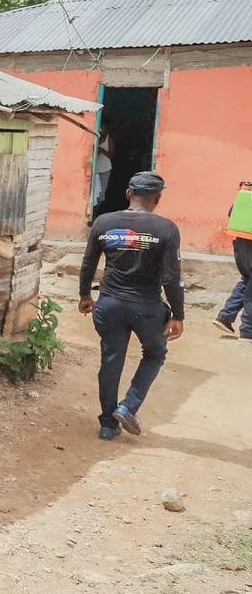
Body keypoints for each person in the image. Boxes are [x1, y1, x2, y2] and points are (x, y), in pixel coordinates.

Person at [78, 172, 185, 441]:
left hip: (109, 304)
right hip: (147, 308)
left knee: (111, 360)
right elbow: (172, 278)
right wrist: (178, 315)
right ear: (157, 199)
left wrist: (84, 295)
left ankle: (106, 424)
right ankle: (128, 406)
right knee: (155, 353)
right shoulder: (166, 229)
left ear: (128, 194)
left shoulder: (104, 222)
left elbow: (88, 264)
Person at [213, 193, 252, 341]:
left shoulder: (247, 194)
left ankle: (226, 317)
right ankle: (248, 330)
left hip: (241, 243)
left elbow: (232, 213)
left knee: (247, 280)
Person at [92, 119, 115, 212]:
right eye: (100, 127)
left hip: (105, 169)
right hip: (93, 169)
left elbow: (112, 155)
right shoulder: (94, 137)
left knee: (101, 194)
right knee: (92, 192)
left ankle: (95, 214)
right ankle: (91, 213)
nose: (101, 129)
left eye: (104, 127)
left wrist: (101, 150)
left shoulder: (109, 140)